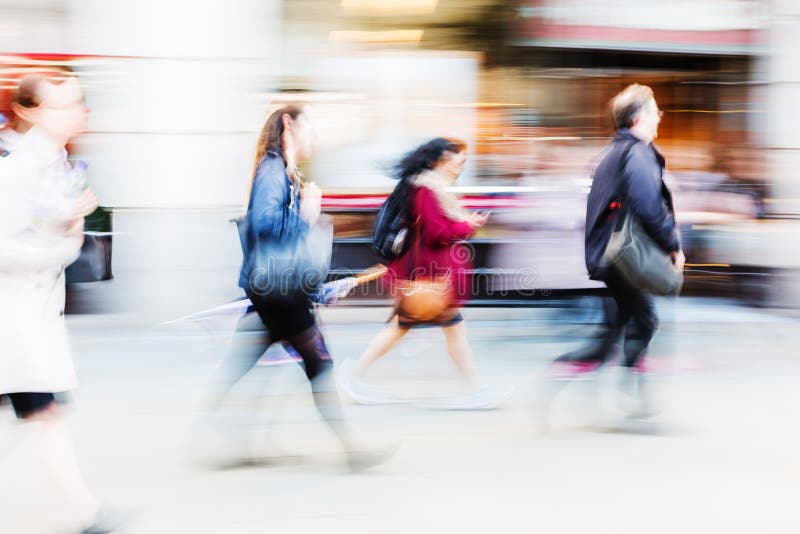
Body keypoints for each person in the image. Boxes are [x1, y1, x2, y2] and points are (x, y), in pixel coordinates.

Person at [213, 104, 389, 471]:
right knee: (318, 364)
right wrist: (306, 214)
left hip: (276, 288)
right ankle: (351, 450)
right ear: (288, 124)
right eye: (309, 127)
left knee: (246, 363)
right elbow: (264, 226)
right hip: (277, 291)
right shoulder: (274, 170)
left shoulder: (284, 172)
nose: (314, 136)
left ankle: (230, 436)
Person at [0, 73, 113, 533]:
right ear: (30, 111)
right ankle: (87, 515)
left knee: (43, 413)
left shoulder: (59, 166)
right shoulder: (18, 170)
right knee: (45, 413)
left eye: (77, 102)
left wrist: (65, 229)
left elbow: (64, 249)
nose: (75, 112)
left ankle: (86, 513)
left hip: (31, 317)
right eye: (61, 104)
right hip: (13, 316)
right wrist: (60, 230)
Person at [548, 84, 684, 415]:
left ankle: (626, 392)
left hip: (611, 256)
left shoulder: (614, 152)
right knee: (643, 320)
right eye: (655, 111)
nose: (659, 117)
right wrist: (672, 245)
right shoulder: (636, 152)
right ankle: (620, 389)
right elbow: (647, 204)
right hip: (623, 256)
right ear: (638, 118)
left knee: (621, 327)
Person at [345, 138, 491, 404]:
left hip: (428, 277)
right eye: (456, 163)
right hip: (429, 277)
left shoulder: (432, 188)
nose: (458, 169)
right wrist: (467, 225)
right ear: (440, 162)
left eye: (462, 163)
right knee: (405, 328)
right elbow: (436, 233)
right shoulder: (427, 189)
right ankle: (353, 376)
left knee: (430, 328)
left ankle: (475, 390)